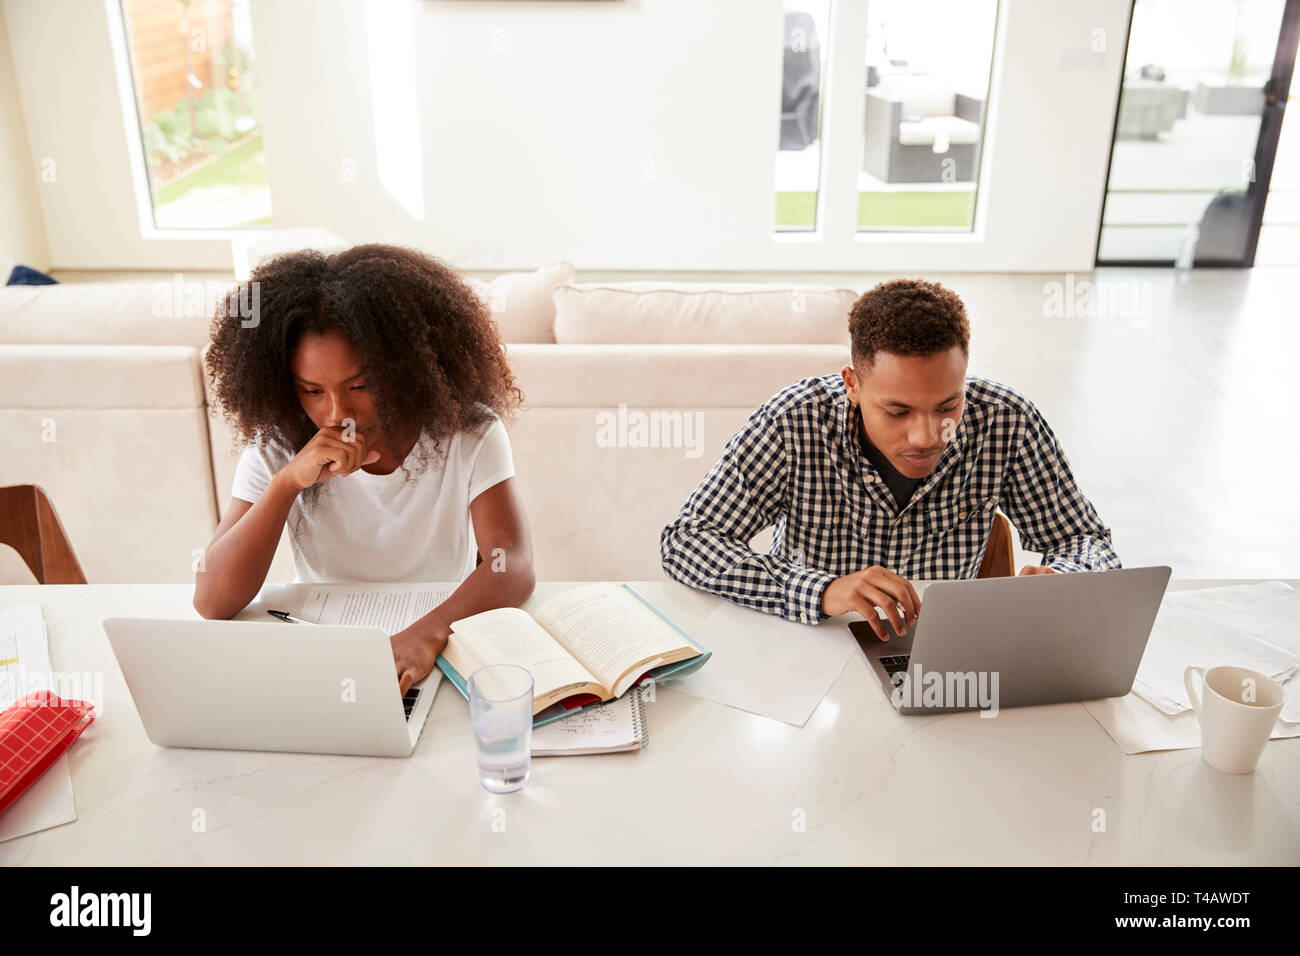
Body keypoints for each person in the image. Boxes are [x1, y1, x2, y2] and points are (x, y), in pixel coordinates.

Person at [660, 278, 1120, 641]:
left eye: (947, 407)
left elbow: (1087, 541)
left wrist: (1064, 577)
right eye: (897, 412)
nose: (925, 437)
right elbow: (687, 541)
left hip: (946, 657)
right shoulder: (794, 421)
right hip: (813, 644)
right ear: (853, 386)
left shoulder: (1006, 420)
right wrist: (821, 589)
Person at [195, 244, 535, 694]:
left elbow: (512, 562)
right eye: (312, 390)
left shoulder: (467, 433)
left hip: (437, 638)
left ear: (408, 368)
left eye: (361, 385)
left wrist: (429, 633)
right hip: (323, 648)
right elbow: (211, 600)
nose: (338, 413)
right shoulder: (278, 447)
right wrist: (287, 484)